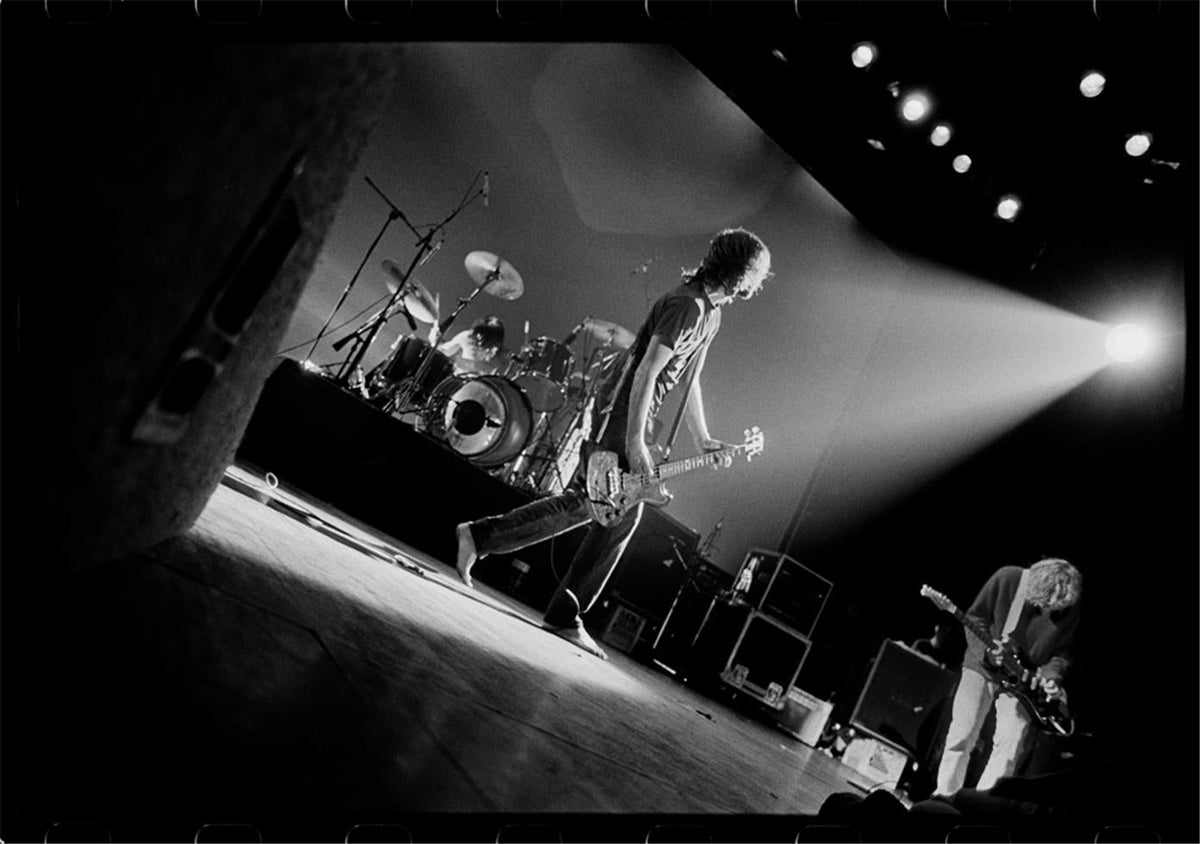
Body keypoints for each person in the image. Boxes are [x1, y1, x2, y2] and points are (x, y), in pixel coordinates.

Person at [453, 228, 773, 658]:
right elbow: (645, 371)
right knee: (613, 512)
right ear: (741, 275)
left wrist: (703, 438)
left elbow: (689, 378)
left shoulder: (710, 314)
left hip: (634, 411)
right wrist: (635, 441)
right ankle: (554, 607)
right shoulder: (687, 306)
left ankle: (482, 538)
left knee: (591, 505)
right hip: (621, 408)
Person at [933, 557, 1082, 797]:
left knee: (1011, 746)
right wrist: (986, 654)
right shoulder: (1009, 578)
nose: (1050, 610)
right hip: (982, 666)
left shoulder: (1068, 606)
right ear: (1038, 586)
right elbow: (975, 617)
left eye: (1057, 608)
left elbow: (1061, 653)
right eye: (1046, 603)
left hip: (1023, 680)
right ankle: (944, 797)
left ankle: (982, 806)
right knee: (963, 732)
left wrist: (1051, 678)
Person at [435, 315, 508, 376]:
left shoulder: (502, 358)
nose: (478, 342)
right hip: (457, 380)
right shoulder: (466, 337)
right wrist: (436, 341)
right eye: (477, 338)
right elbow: (444, 352)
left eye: (483, 341)